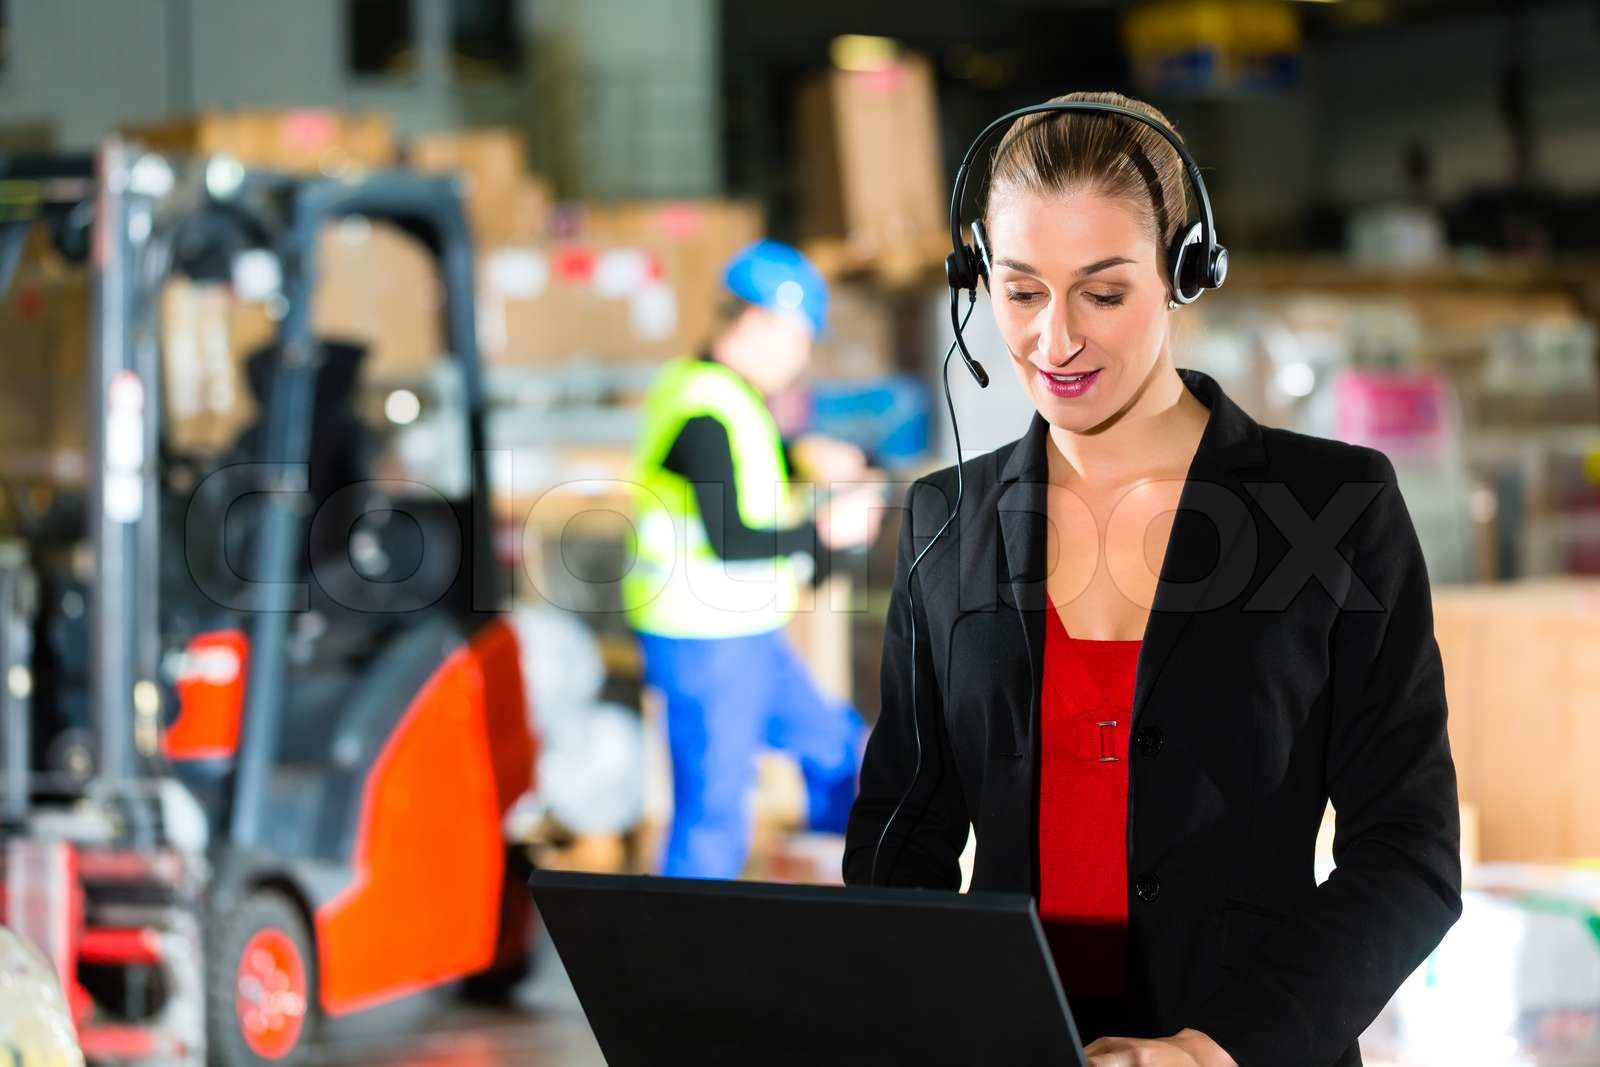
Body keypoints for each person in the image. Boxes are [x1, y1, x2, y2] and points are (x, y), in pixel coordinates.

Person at [843, 92, 1461, 1067]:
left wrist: (1212, 1048)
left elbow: (1408, 854)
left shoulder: (1332, 508)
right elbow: (900, 833)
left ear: (1182, 272)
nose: (1053, 342)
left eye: (1102, 291)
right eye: (1018, 290)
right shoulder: (941, 523)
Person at [624, 239, 883, 880]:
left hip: (744, 637)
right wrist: (825, 535)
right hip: (703, 645)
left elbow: (744, 468)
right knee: (711, 817)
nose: (800, 359)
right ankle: (680, 971)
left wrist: (806, 456)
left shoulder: (722, 395)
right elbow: (730, 535)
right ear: (760, 322)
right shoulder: (705, 408)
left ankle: (850, 892)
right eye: (798, 339)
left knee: (836, 752)